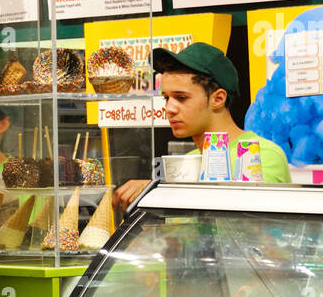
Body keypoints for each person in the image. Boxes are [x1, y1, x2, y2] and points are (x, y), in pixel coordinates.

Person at [114, 43, 291, 210]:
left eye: (181, 97)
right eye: (166, 98)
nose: (169, 109)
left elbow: (252, 219)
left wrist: (158, 191)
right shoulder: (189, 160)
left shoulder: (261, 154)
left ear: (218, 99)